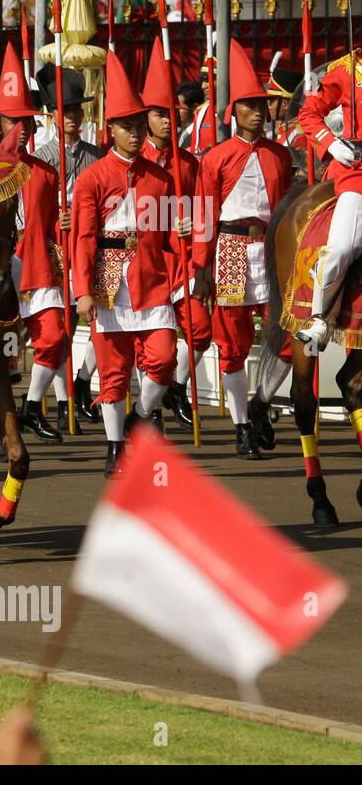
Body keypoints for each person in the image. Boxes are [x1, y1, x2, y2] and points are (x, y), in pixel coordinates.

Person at [70, 51, 180, 478]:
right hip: (107, 275)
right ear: (110, 129)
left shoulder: (163, 178)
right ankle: (115, 446)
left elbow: (170, 238)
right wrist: (82, 291)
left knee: (164, 357)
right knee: (113, 372)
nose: (136, 134)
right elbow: (82, 238)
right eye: (127, 127)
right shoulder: (92, 178)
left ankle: (141, 417)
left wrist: (183, 233)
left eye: (139, 127)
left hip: (152, 277)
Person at [193, 41, 293, 458]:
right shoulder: (215, 158)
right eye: (249, 104)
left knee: (285, 338)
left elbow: (289, 211)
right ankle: (240, 427)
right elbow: (203, 214)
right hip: (230, 248)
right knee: (231, 345)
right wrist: (201, 268)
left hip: (269, 250)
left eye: (262, 104)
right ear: (233, 110)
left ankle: (262, 402)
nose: (258, 111)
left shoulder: (281, 156)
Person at [0, 45, 68, 442]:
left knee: (55, 337)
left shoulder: (45, 172)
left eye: (28, 124)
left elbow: (52, 224)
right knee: (5, 356)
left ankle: (33, 405)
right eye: (13, 122)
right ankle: (6, 424)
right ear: (0, 123)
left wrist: (65, 230)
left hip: (38, 267)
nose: (21, 131)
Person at [139, 37, 205, 433]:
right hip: (148, 265)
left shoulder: (190, 164)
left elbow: (205, 213)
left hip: (182, 265)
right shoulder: (137, 162)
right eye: (160, 114)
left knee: (202, 333)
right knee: (150, 351)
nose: (168, 120)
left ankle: (174, 389)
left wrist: (193, 224)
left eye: (173, 114)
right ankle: (150, 414)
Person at [34, 62, 105, 424]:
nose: (73, 117)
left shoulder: (97, 156)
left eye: (77, 110)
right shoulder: (42, 159)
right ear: (51, 116)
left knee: (101, 319)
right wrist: (53, 220)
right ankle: (63, 403)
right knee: (61, 326)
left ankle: (83, 382)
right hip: (58, 247)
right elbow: (28, 212)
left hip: (90, 247)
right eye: (66, 111)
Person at [295, 42, 362, 350]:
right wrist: (331, 143)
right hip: (359, 174)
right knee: (340, 247)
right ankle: (321, 317)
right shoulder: (346, 69)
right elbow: (308, 113)